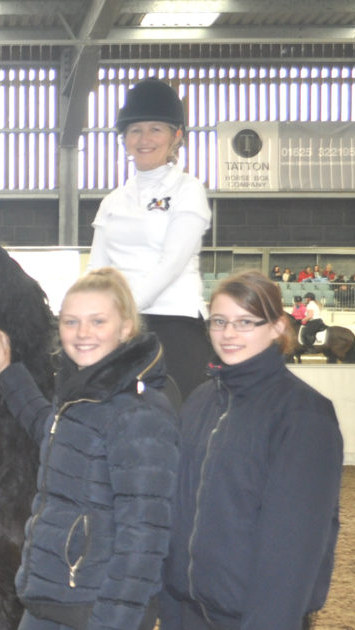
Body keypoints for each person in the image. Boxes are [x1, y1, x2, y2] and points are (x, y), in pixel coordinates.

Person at [0, 268, 178, 630]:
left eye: (97, 321)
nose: (82, 333)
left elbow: (144, 536)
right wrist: (8, 374)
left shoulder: (139, 413)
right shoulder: (83, 399)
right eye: (71, 321)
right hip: (51, 600)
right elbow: (52, 430)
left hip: (92, 609)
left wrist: (112, 622)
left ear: (125, 328)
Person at [161, 270, 343, 630]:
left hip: (253, 618)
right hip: (187, 613)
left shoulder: (303, 414)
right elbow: (175, 515)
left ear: (277, 327)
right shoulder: (198, 403)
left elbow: (295, 545)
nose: (228, 334)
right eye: (219, 321)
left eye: (245, 322)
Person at [88, 77, 211, 406]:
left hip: (174, 320)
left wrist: (119, 312)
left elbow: (171, 264)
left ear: (176, 136)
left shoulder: (188, 190)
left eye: (156, 129)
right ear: (125, 138)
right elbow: (96, 271)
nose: (144, 139)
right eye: (135, 130)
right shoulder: (112, 201)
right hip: (117, 323)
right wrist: (88, 313)